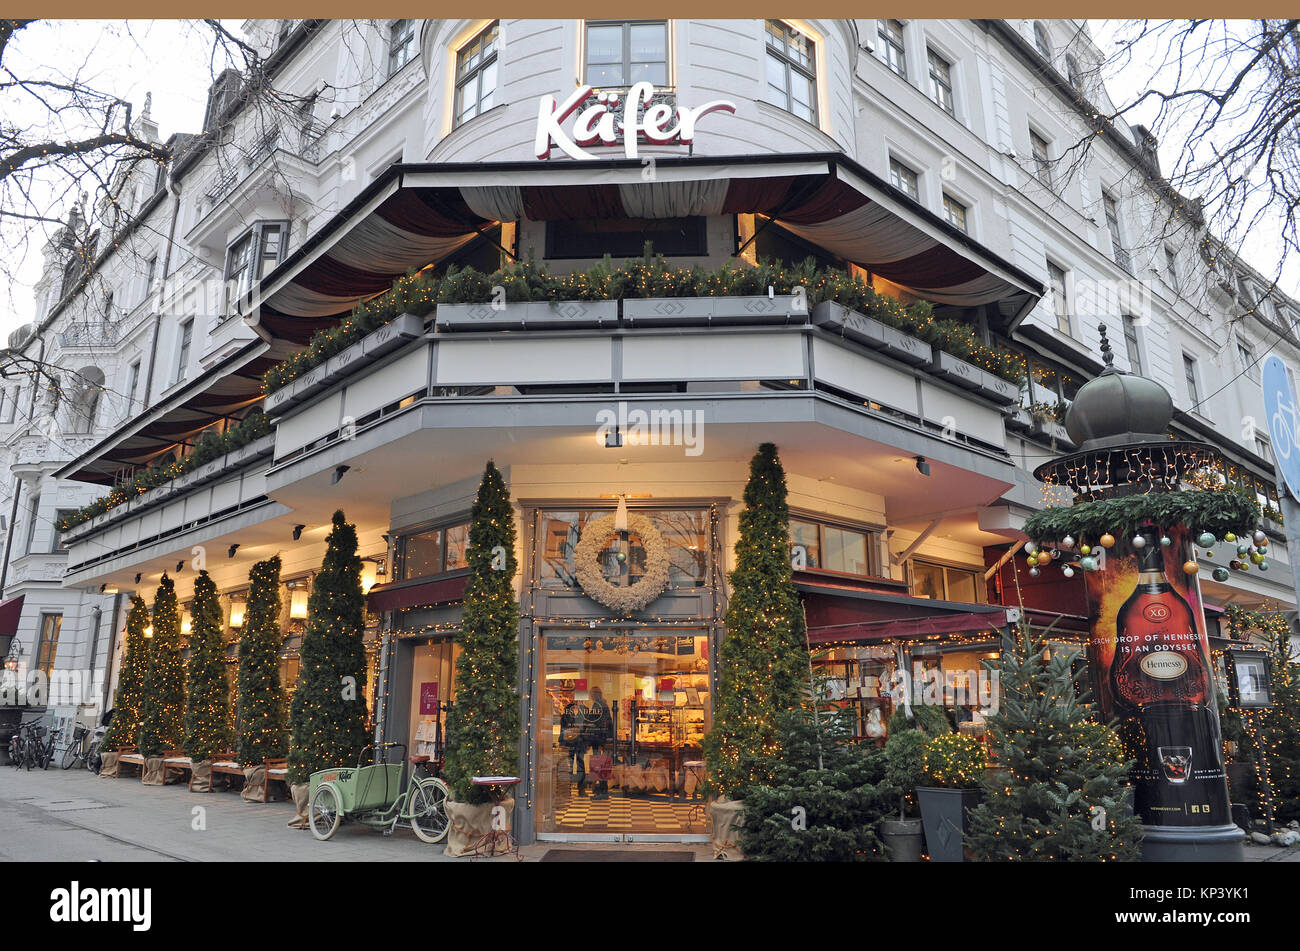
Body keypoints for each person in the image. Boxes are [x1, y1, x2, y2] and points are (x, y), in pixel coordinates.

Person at [560, 697, 587, 795]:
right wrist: (562, 742)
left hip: (580, 742)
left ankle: (581, 789)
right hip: (569, 742)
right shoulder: (566, 712)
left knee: (580, 765)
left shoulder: (585, 711)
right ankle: (567, 788)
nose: (577, 701)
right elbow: (563, 728)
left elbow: (587, 727)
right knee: (569, 765)